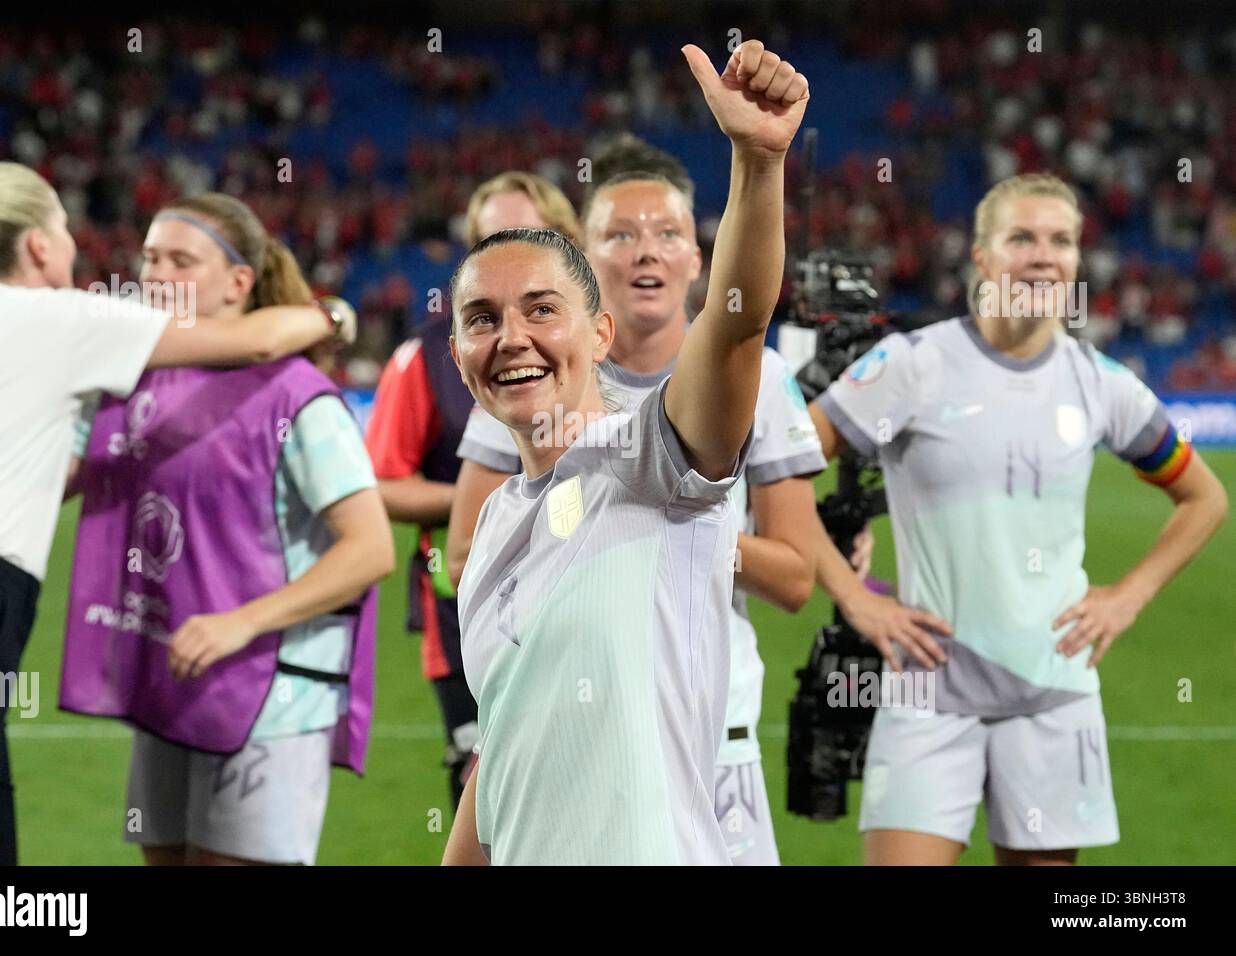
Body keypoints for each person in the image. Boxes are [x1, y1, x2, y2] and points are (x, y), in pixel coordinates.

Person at [441, 39, 810, 865]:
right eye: (481, 320)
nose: (511, 339)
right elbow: (499, 753)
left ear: (599, 333)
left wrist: (757, 161)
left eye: (542, 309)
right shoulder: (499, 520)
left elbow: (739, 322)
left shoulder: (651, 462)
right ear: (460, 358)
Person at [807, 173, 1228, 865]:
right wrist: (854, 599)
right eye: (1021, 238)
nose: (1042, 255)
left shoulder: (1102, 384)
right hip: (928, 690)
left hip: (1052, 690)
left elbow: (1205, 498)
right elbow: (784, 468)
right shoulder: (913, 365)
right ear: (981, 256)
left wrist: (1129, 595)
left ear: (1076, 261)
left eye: (1060, 241)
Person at [0, 162, 341, 865]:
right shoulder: (65, 318)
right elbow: (258, 341)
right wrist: (334, 315)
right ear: (38, 246)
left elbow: (51, 472)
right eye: (65, 227)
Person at [60, 193, 393, 866]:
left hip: (272, 694)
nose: (155, 275)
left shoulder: (295, 393)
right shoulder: (128, 385)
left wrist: (241, 622)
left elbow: (370, 548)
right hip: (173, 676)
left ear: (240, 283)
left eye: (181, 260)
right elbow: (54, 483)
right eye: (150, 258)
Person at [364, 172, 579, 808]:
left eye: (529, 236)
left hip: (580, 594)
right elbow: (380, 486)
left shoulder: (597, 348)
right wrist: (490, 496)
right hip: (462, 606)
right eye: (491, 240)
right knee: (485, 793)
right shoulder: (428, 356)